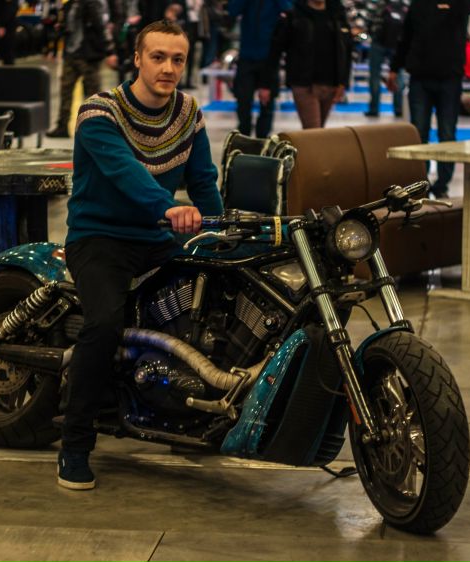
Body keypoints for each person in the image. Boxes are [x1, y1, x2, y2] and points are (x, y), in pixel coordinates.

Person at [57, 19, 224, 490]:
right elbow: (125, 172)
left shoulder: (188, 113)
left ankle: (187, 415)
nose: (168, 68)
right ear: (137, 59)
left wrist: (219, 231)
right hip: (99, 237)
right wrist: (168, 207)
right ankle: (75, 443)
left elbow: (204, 180)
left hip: (156, 235)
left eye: (177, 59)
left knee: (211, 303)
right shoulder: (99, 111)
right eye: (158, 57)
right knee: (103, 324)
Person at [387, 0, 470, 198]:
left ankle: (442, 185)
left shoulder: (460, 4)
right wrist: (394, 68)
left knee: (447, 133)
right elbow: (406, 37)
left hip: (450, 78)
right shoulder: (418, 4)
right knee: (419, 133)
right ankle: (420, 184)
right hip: (420, 77)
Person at [259, 0, 351, 130]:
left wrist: (343, 82)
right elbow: (275, 51)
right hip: (304, 84)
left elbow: (346, 50)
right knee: (313, 130)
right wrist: (266, 84)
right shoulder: (293, 16)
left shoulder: (337, 15)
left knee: (319, 131)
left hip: (330, 83)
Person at [47, 0, 123, 138]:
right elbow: (64, 27)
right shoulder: (69, 4)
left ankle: (93, 128)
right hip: (71, 54)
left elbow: (101, 27)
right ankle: (62, 126)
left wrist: (110, 51)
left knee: (92, 95)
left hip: (89, 55)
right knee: (65, 91)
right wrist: (54, 49)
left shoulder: (93, 3)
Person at [228, 0, 292, 138]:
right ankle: (244, 135)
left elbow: (288, 8)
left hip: (270, 56)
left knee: (267, 103)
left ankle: (262, 140)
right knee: (243, 100)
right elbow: (233, 10)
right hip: (246, 56)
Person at [364, 0, 407, 118]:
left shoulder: (379, 5)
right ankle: (398, 109)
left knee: (375, 77)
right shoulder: (403, 6)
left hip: (379, 43)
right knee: (398, 76)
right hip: (396, 44)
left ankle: (374, 109)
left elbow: (370, 23)